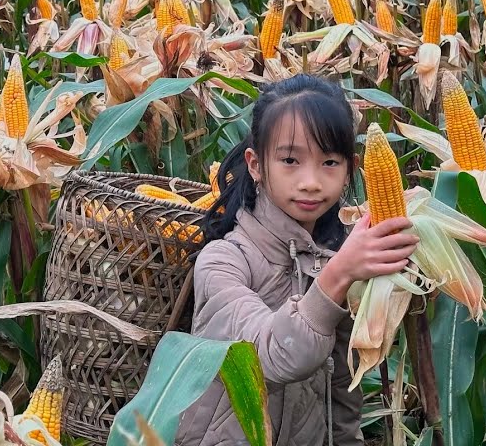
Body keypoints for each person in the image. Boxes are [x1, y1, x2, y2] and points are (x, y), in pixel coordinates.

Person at [175, 75, 420, 446]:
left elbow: (342, 385)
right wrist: (340, 274)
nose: (310, 182)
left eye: (329, 162)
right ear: (256, 165)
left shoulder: (335, 258)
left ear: (350, 168)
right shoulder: (222, 261)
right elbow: (273, 358)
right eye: (290, 160)